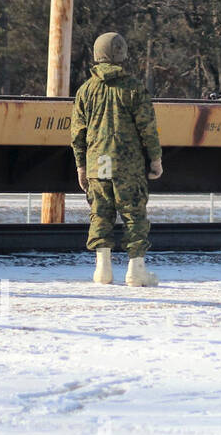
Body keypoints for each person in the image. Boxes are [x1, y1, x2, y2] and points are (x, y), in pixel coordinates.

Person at [70, 32, 163, 287]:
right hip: (128, 165)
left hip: (96, 163)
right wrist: (155, 160)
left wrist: (80, 165)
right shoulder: (134, 88)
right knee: (134, 215)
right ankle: (136, 270)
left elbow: (77, 134)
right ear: (121, 54)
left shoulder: (85, 91)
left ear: (96, 55)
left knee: (100, 213)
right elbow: (147, 129)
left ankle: (103, 270)